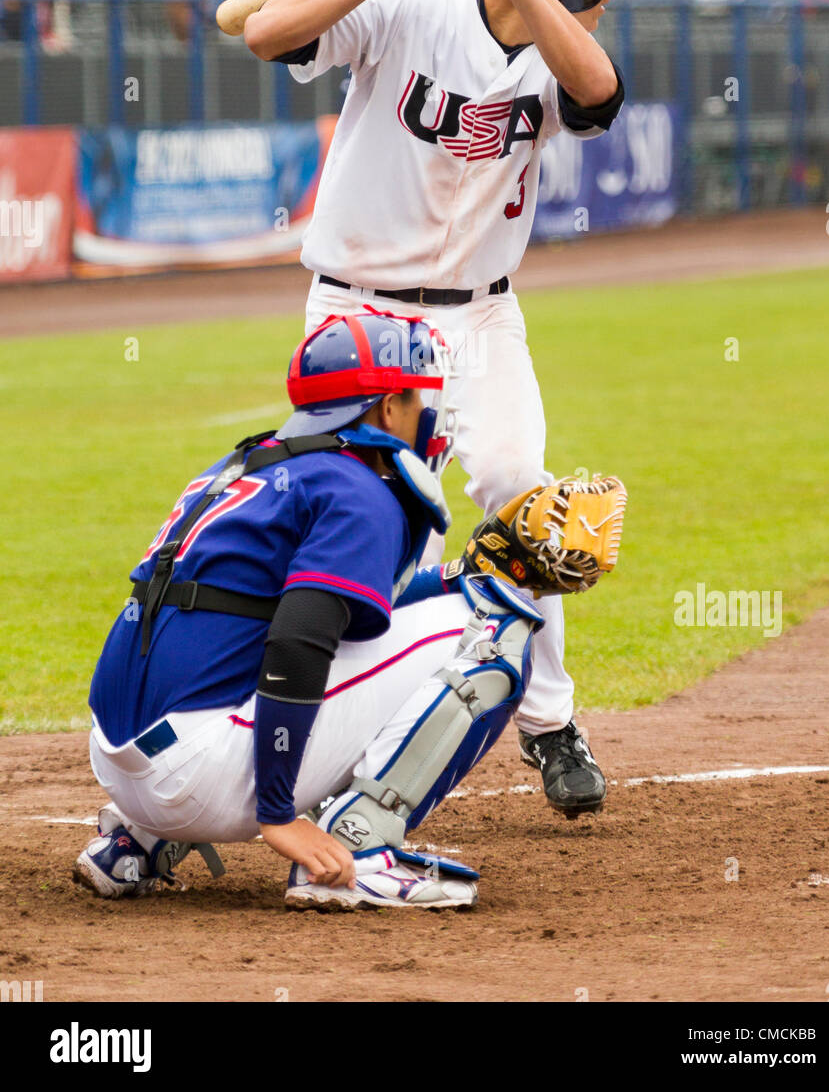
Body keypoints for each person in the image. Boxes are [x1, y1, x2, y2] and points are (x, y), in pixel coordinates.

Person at [243, 0, 657, 818]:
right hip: (357, 312)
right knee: (356, 517)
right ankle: (301, 741)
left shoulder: (561, 53)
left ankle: (548, 723)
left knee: (524, 492)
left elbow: (596, 92)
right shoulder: (407, 7)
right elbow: (266, 32)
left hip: (478, 316)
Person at [74, 312, 582, 910]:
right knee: (496, 622)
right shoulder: (358, 488)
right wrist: (277, 815)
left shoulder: (249, 466)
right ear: (385, 407)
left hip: (120, 765)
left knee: (235, 625)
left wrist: (458, 573)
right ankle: (359, 849)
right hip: (198, 778)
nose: (427, 410)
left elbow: (311, 607)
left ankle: (137, 845)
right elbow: (300, 639)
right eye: (415, 394)